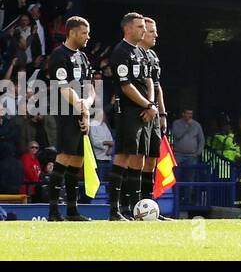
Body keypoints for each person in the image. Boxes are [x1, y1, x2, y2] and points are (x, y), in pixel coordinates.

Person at [42, 15, 94, 221]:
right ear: (72, 32)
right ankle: (53, 211)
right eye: (84, 32)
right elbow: (63, 88)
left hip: (82, 113)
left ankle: (72, 211)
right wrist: (81, 107)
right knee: (63, 158)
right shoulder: (58, 55)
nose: (88, 37)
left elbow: (90, 87)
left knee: (77, 162)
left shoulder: (83, 57)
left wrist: (87, 106)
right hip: (65, 113)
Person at [106, 13, 156, 221]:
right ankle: (114, 210)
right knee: (123, 156)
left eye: (144, 27)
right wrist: (147, 104)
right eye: (139, 27)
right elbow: (126, 86)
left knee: (139, 160)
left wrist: (151, 105)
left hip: (145, 112)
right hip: (128, 111)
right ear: (127, 29)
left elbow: (148, 80)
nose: (143, 31)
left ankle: (134, 210)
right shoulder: (120, 51)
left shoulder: (141, 53)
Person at [139, 17, 167, 211]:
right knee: (137, 159)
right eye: (151, 31)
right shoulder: (133, 55)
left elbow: (157, 87)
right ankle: (133, 204)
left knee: (152, 159)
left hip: (155, 113)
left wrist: (163, 114)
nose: (155, 35)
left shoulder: (154, 56)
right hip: (140, 112)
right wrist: (148, 106)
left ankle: (148, 206)